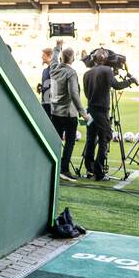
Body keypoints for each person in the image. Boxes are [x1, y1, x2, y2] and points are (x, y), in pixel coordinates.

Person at [81, 48, 136, 180]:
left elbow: (87, 94)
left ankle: (90, 170)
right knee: (105, 138)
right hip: (101, 110)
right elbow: (117, 85)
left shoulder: (87, 73)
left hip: (90, 110)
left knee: (90, 139)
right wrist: (131, 80)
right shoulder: (107, 70)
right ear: (105, 59)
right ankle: (99, 172)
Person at [48, 40, 85, 181]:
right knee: (69, 142)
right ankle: (64, 169)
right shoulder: (71, 73)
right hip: (68, 113)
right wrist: (83, 112)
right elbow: (74, 93)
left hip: (55, 112)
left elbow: (53, 59)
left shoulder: (54, 69)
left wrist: (58, 46)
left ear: (61, 58)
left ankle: (54, 167)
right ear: (73, 59)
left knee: (56, 141)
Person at [39, 47, 54, 119]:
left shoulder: (56, 70)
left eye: (44, 55)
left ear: (50, 56)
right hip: (44, 104)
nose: (42, 57)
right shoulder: (45, 70)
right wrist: (41, 87)